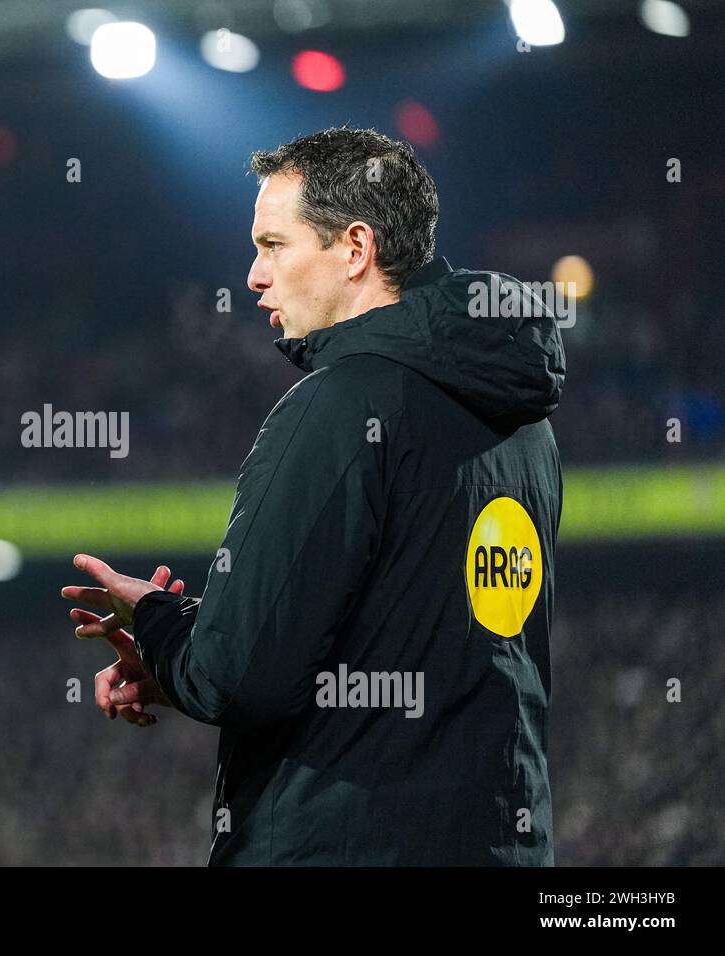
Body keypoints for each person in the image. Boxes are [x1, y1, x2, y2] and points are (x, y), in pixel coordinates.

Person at [63, 127, 565, 865]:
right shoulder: (525, 423)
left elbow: (242, 679)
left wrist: (166, 631)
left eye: (273, 245)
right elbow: (403, 633)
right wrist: (192, 653)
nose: (253, 276)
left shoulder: (337, 407)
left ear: (354, 249)